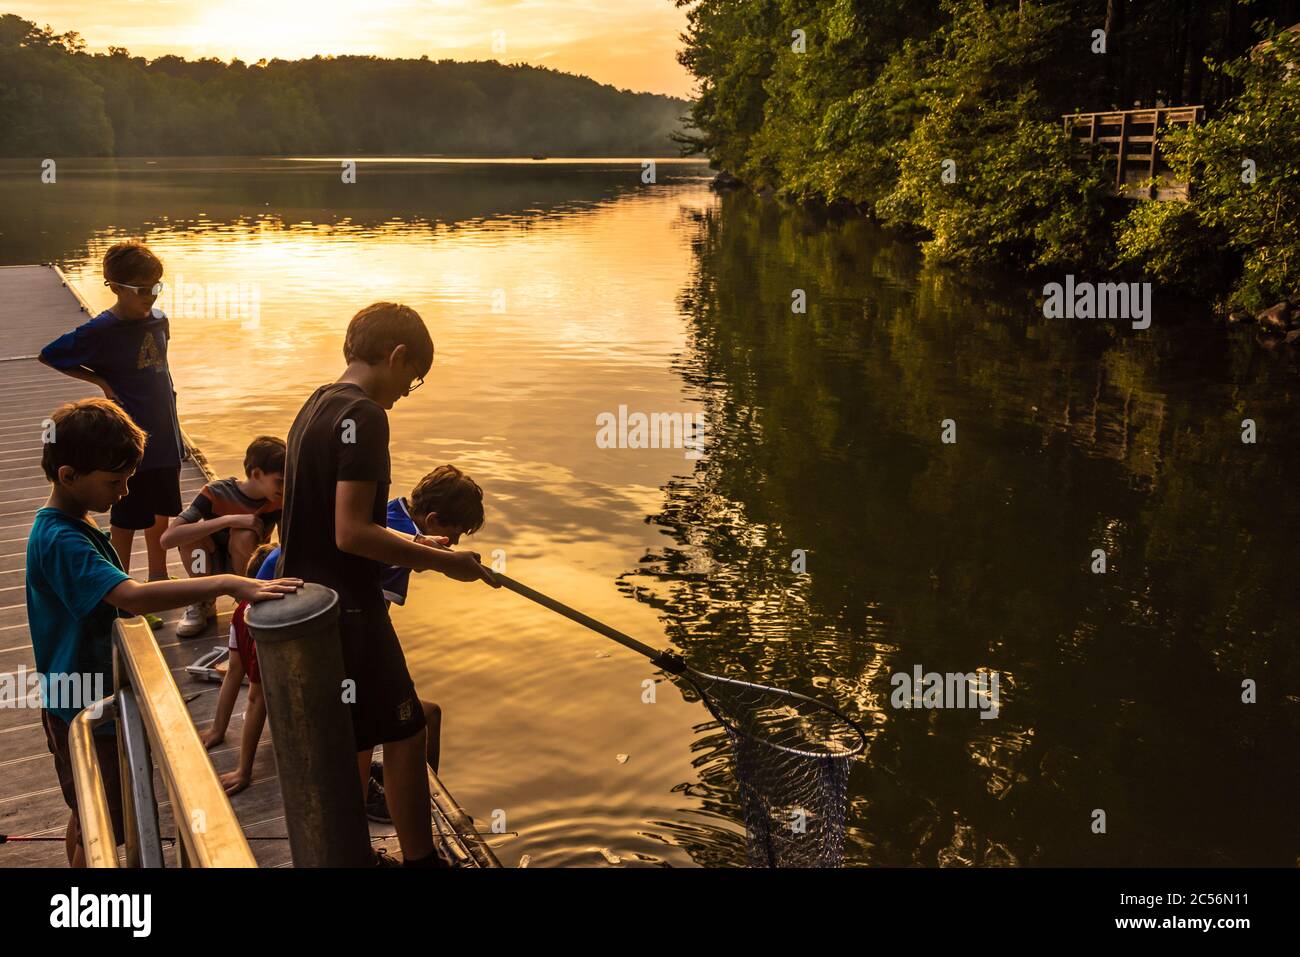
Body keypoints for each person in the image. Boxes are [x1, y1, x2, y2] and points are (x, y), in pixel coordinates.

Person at [26, 398, 300, 865]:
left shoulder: (72, 522)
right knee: (102, 820)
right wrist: (232, 582)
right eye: (116, 482)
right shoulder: (62, 539)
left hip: (83, 695)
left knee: (87, 805)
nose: (125, 491)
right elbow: (130, 595)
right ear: (68, 476)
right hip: (83, 703)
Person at [277, 302, 497, 867]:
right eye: (413, 377)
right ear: (397, 356)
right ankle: (422, 861)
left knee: (356, 735)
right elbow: (352, 533)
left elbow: (329, 524)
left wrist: (419, 546)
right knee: (406, 731)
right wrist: (440, 564)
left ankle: (349, 852)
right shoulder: (369, 417)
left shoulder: (316, 404)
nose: (406, 391)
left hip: (310, 605)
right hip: (351, 608)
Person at [38, 241, 186, 629]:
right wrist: (99, 380)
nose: (151, 295)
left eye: (157, 286)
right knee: (125, 518)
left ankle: (157, 576)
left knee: (162, 511)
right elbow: (50, 354)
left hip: (165, 433)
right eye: (142, 289)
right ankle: (121, 593)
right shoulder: (102, 329)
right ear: (115, 287)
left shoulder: (158, 320)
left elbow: (161, 368)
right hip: (129, 441)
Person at [162, 436, 285, 637]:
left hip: (244, 567)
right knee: (191, 537)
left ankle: (246, 602)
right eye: (279, 481)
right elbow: (168, 539)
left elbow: (286, 544)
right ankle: (202, 599)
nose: (284, 488)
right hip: (206, 565)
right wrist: (229, 520)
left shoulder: (279, 501)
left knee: (243, 535)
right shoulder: (215, 492)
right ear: (256, 474)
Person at [200, 544, 280, 793]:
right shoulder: (265, 628)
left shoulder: (240, 611)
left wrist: (217, 729)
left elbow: (234, 671)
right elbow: (257, 699)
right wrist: (243, 771)